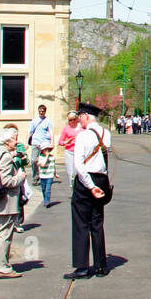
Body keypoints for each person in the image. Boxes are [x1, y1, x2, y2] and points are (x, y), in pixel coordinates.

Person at [65, 103, 113, 279]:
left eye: (80, 118)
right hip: (102, 178)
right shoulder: (105, 134)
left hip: (87, 180)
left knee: (81, 222)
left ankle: (82, 267)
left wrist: (90, 186)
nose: (79, 121)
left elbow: (79, 164)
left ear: (86, 116)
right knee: (97, 222)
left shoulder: (83, 136)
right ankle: (100, 265)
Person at [0, 127, 27, 278]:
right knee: (4, 234)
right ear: (7, 142)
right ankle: (3, 267)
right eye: (14, 139)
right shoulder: (6, 157)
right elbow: (6, 181)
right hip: (6, 202)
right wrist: (21, 177)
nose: (16, 141)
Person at [27, 104, 52, 184]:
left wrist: (52, 142)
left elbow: (51, 132)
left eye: (42, 111)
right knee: (34, 160)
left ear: (45, 112)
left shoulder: (48, 121)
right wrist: (26, 142)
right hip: (35, 142)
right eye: (40, 111)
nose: (41, 113)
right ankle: (35, 177)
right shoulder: (34, 121)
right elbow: (30, 132)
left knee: (44, 160)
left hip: (44, 143)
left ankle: (45, 176)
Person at [57, 110, 79, 187]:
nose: (72, 121)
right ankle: (72, 187)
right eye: (70, 120)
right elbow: (60, 141)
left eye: (74, 119)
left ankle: (79, 189)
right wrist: (65, 142)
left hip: (79, 152)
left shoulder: (82, 128)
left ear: (77, 118)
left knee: (79, 172)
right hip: (69, 152)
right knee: (71, 172)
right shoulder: (66, 128)